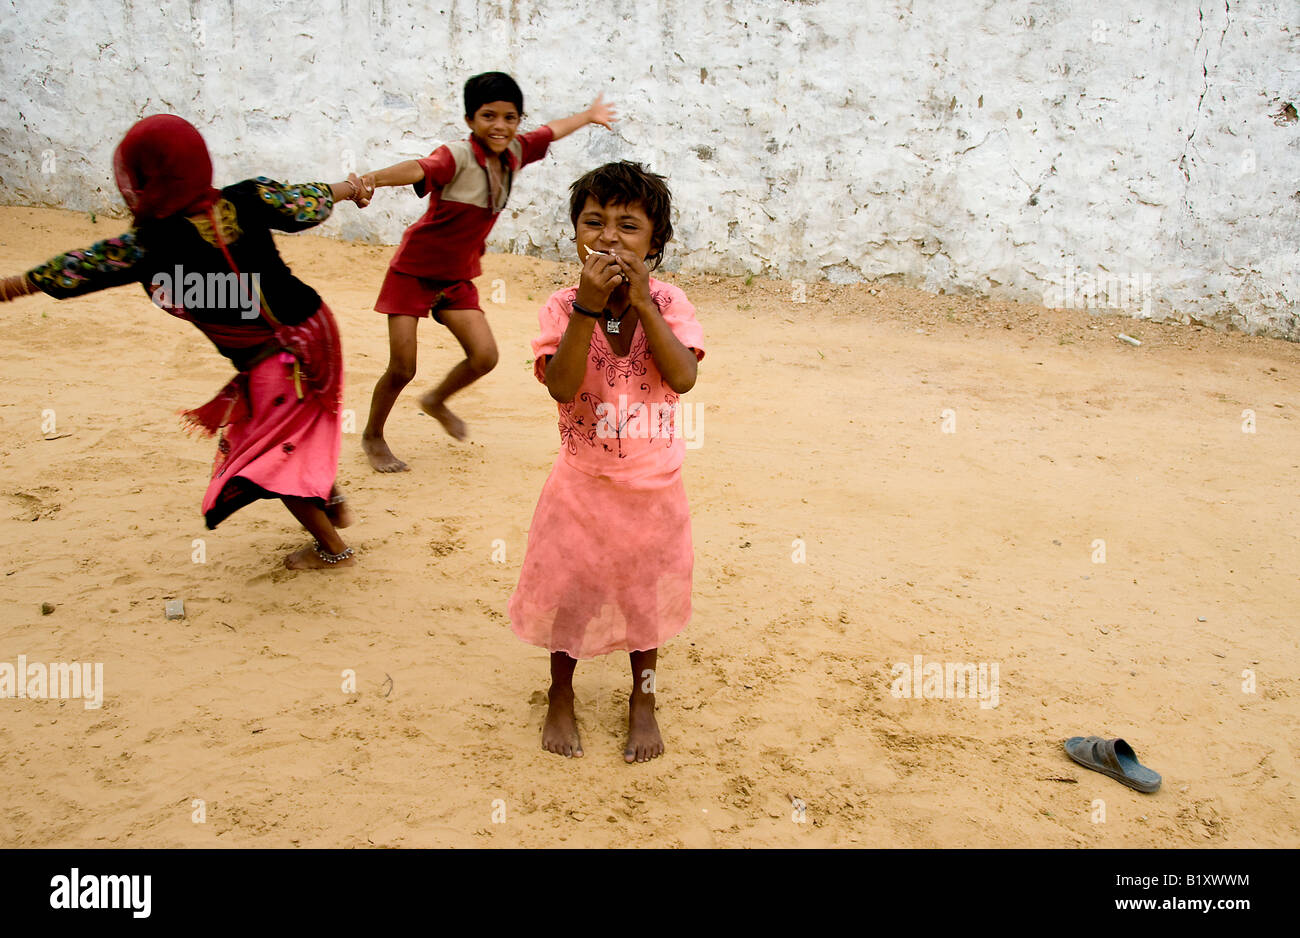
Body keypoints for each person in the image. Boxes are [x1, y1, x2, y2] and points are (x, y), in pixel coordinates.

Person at [0, 114, 374, 569]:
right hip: (316, 331)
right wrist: (350, 188)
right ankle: (330, 500)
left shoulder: (151, 243)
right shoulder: (249, 196)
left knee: (266, 461)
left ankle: (334, 550)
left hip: (276, 360)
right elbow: (305, 201)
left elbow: (85, 265)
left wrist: (17, 285)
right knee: (297, 429)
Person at [508, 162, 704, 763]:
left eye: (629, 225)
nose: (611, 238)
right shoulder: (561, 307)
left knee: (644, 601)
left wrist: (643, 304)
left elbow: (684, 376)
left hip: (653, 487)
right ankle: (559, 694)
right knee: (572, 591)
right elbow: (563, 387)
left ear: (656, 242)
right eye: (594, 222)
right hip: (582, 484)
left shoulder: (669, 302)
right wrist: (589, 310)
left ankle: (642, 702)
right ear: (575, 235)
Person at [358, 71, 617, 471]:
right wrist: (373, 179)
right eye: (488, 116)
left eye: (510, 118)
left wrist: (588, 115)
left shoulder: (515, 151)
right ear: (469, 121)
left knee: (484, 356)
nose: (500, 126)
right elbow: (417, 168)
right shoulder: (456, 157)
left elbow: (551, 131)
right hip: (412, 273)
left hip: (456, 277)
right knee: (403, 366)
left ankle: (436, 399)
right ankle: (373, 435)